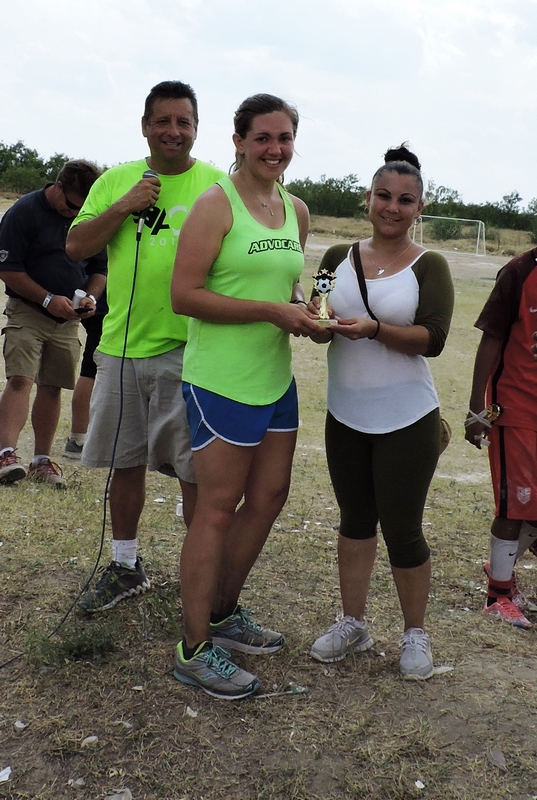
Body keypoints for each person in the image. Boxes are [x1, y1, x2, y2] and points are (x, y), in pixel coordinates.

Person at [170, 93, 321, 699]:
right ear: (237, 141)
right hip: (221, 384)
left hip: (274, 380)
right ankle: (193, 648)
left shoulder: (296, 209)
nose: (275, 149)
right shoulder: (214, 205)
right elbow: (185, 296)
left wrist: (309, 313)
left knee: (270, 496)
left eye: (284, 138)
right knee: (216, 508)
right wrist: (268, 310)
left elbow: (291, 288)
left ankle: (225, 613)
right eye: (262, 138)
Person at [65, 80, 224, 612]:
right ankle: (126, 565)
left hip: (193, 352)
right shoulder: (115, 180)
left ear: (197, 129)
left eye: (183, 122)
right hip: (122, 348)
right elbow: (76, 246)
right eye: (163, 121)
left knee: (192, 471)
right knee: (124, 462)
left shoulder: (218, 187)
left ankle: (200, 576)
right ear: (145, 126)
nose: (173, 131)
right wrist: (125, 206)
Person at [308, 145, 454, 680]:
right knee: (353, 522)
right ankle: (353, 622)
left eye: (405, 200)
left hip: (407, 419)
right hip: (345, 414)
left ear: (420, 207)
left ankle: (415, 633)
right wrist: (310, 318)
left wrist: (373, 330)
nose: (392, 207)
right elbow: (318, 315)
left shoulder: (429, 265)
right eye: (383, 196)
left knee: (404, 529)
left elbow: (433, 339)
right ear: (367, 199)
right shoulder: (333, 259)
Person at [0, 160, 106, 488]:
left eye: (83, 207)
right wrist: (47, 299)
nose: (76, 213)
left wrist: (89, 298)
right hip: (29, 311)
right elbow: (7, 268)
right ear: (58, 188)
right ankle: (5, 455)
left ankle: (41, 462)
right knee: (21, 379)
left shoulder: (88, 218)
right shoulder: (24, 212)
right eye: (72, 205)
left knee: (53, 385)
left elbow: (100, 268)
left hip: (68, 319)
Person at [465, 246, 537, 629]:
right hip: (518, 408)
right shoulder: (519, 272)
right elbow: (491, 339)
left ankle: (501, 566)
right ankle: (498, 595)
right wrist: (478, 407)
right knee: (515, 506)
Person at [63, 289, 108, 459]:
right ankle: (78, 438)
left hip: (99, 304)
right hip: (107, 308)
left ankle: (79, 437)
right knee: (91, 369)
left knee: (91, 367)